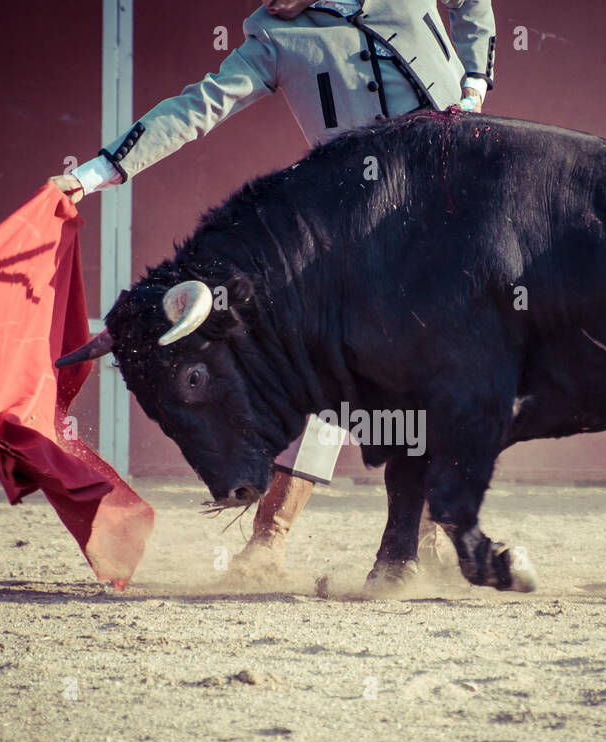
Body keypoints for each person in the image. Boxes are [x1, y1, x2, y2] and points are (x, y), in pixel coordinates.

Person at [52, 1, 497, 578]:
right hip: (356, 229)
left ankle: (434, 534)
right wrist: (94, 175)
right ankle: (270, 539)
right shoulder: (273, 35)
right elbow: (200, 105)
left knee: (450, 368)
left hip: (452, 213)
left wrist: (475, 76)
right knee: (317, 363)